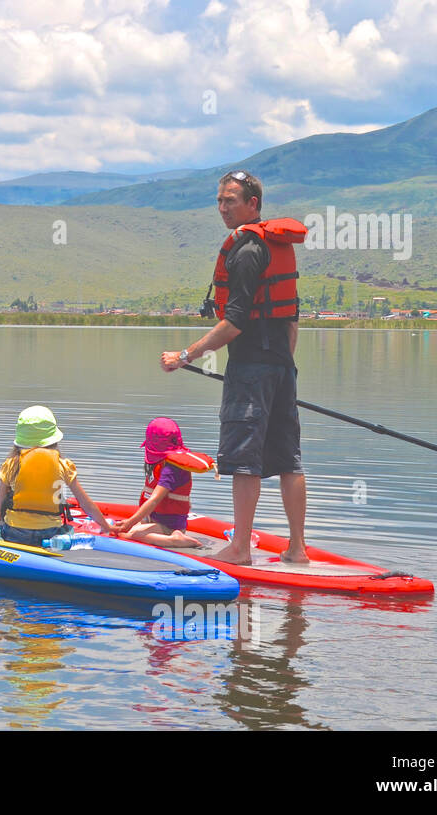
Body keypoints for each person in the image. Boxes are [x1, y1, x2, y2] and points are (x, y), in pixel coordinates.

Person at [159, 170, 310, 564]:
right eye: (220, 201)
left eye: (231, 200)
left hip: (251, 371)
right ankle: (297, 549)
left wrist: (184, 357)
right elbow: (291, 319)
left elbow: (235, 322)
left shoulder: (246, 252)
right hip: (282, 368)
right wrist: (285, 366)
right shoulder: (277, 247)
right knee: (289, 459)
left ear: (253, 204)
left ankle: (240, 548)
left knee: (244, 460)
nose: (223, 208)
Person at [0, 405, 115, 546]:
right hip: (51, 533)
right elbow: (86, 504)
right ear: (53, 439)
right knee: (68, 530)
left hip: (15, 534)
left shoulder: (11, 464)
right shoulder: (63, 465)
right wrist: (105, 526)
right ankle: (59, 543)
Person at [113, 417, 210, 549]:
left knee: (132, 534)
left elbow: (154, 500)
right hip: (157, 521)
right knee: (131, 529)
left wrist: (130, 522)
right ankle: (171, 535)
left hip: (169, 525)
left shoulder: (172, 468)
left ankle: (176, 539)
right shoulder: (164, 464)